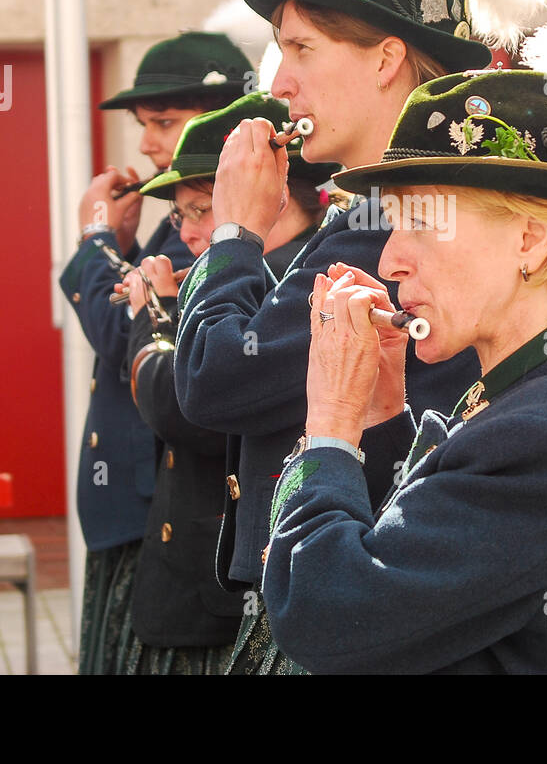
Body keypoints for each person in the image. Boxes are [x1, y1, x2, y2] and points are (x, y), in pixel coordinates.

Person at [174, 0, 547, 672]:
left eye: (302, 49)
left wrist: (232, 231)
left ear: (386, 57)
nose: (278, 82)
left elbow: (213, 378)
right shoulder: (365, 214)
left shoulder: (386, 222)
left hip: (347, 590)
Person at [260, 66, 547, 673]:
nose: (389, 259)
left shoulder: (543, 439)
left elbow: (325, 618)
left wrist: (329, 425)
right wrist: (380, 419)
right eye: (393, 223)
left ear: (532, 242)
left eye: (424, 223)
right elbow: (415, 556)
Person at [115, 93, 338, 675]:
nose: (190, 232)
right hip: (207, 581)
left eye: (204, 208)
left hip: (232, 596)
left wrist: (150, 324)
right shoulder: (250, 271)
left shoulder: (285, 278)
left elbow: (194, 405)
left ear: (271, 190)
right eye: (181, 215)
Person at [58, 31, 251, 674]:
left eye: (164, 121)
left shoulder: (218, 233)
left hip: (161, 518)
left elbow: (128, 336)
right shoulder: (181, 224)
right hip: (139, 511)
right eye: (144, 124)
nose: (145, 143)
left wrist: (93, 242)